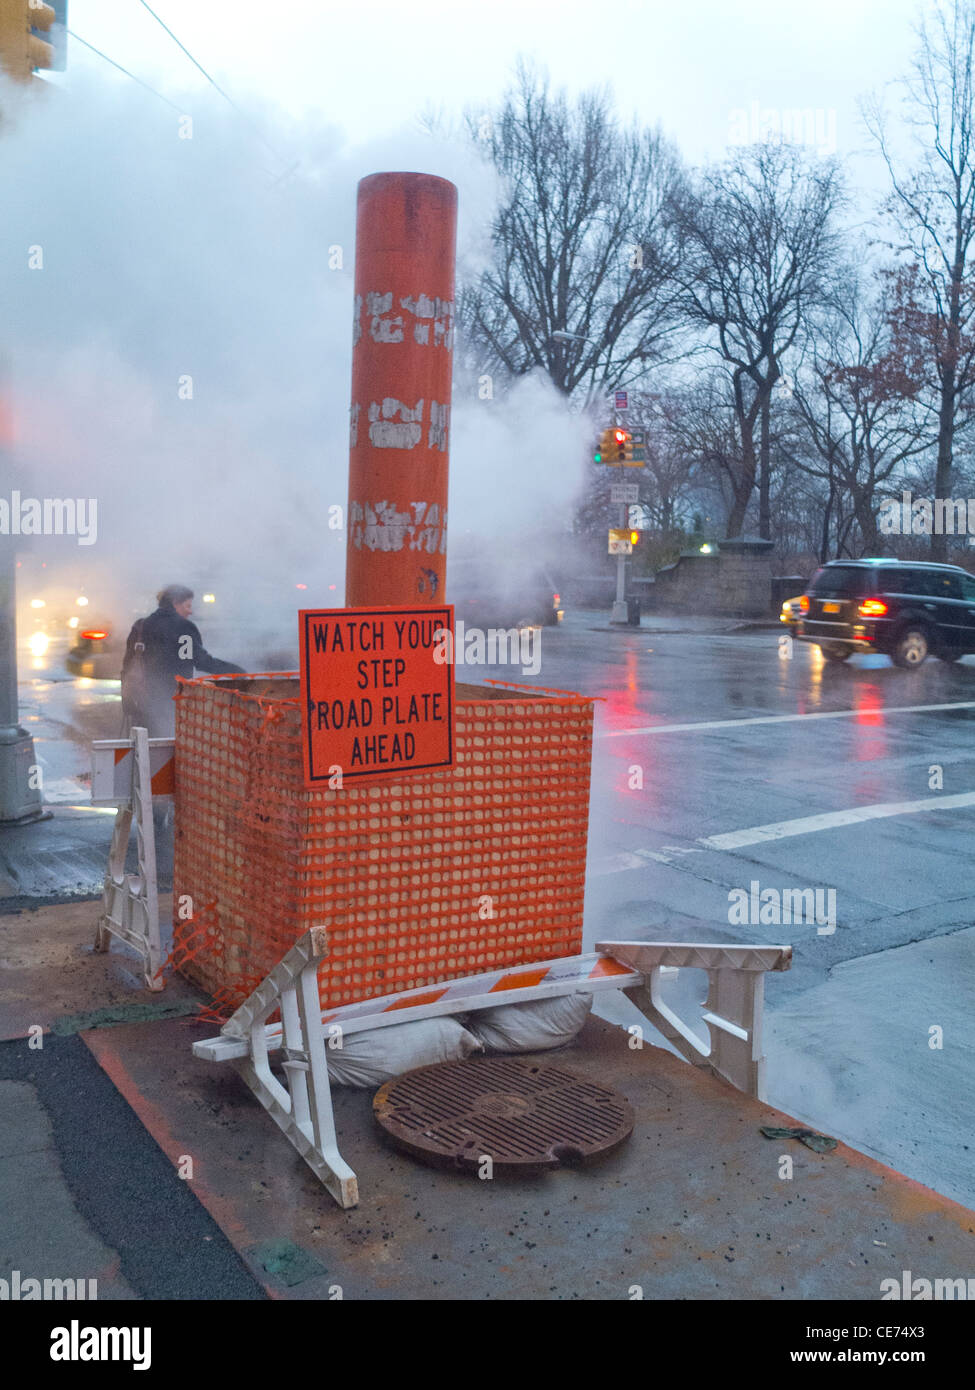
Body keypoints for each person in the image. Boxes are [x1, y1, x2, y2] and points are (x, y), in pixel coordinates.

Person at [121, 584, 244, 737]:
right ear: (175, 603)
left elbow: (127, 666)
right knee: (172, 744)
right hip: (174, 701)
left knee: (145, 749)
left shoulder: (141, 626)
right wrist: (236, 672)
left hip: (142, 701)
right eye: (188, 605)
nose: (190, 611)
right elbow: (201, 661)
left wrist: (127, 703)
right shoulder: (184, 627)